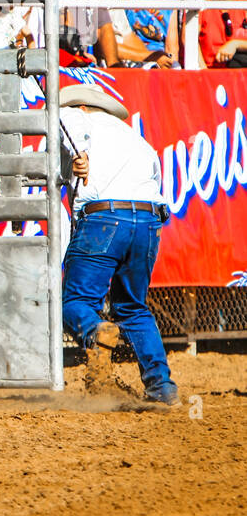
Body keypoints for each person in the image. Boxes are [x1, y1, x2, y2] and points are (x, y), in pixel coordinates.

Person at [59, 82, 179, 405]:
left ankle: (96, 330)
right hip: (149, 218)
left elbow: (67, 124)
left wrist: (78, 157)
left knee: (74, 303)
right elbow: (155, 179)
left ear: (81, 107)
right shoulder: (134, 138)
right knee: (133, 307)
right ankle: (162, 387)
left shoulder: (73, 118)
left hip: (104, 217)